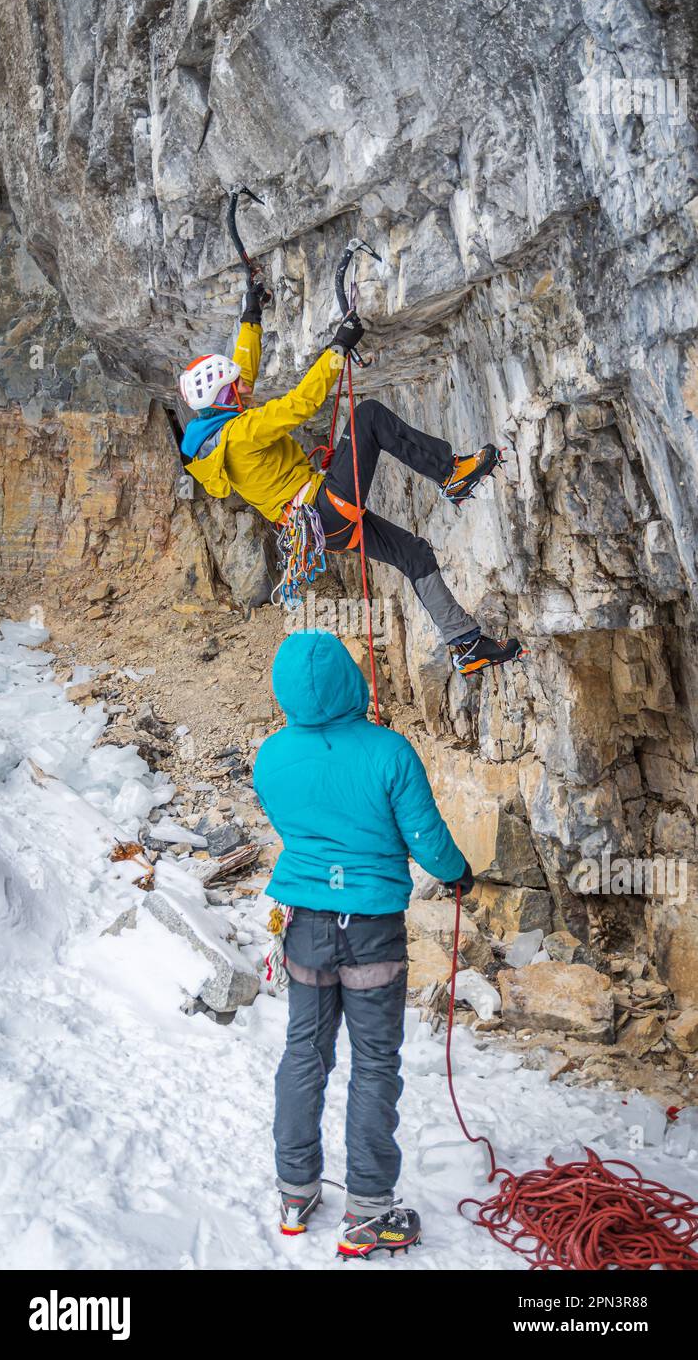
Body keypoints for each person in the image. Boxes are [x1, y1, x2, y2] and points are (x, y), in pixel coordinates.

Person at [252, 630, 474, 1258]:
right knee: (374, 1063)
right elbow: (427, 840)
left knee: (304, 1052)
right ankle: (370, 1208)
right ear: (353, 681)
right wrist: (457, 873)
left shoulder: (270, 756)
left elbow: (288, 821)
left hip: (304, 927)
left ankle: (296, 1190)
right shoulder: (390, 751)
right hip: (373, 929)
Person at [178, 283, 524, 675]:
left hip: (322, 528)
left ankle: (466, 643)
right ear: (224, 399)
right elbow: (301, 405)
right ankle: (453, 473)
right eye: (234, 389)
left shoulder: (214, 441)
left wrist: (251, 317)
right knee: (369, 417)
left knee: (414, 554)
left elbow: (244, 374)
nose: (244, 389)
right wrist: (337, 350)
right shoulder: (242, 432)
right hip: (324, 511)